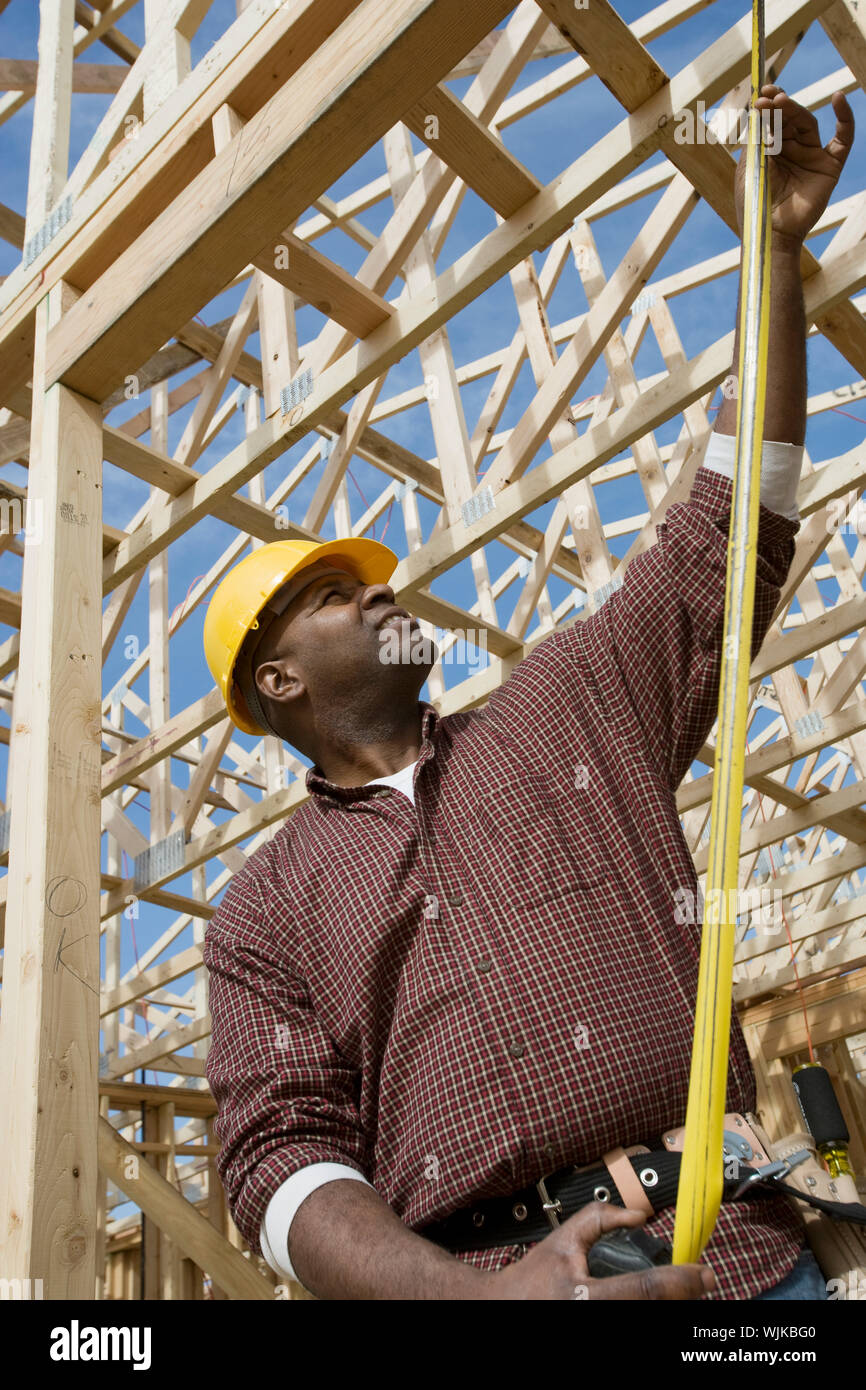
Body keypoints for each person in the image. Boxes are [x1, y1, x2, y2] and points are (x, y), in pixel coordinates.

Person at [202, 87, 854, 1300]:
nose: (381, 592)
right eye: (337, 592)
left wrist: (772, 249)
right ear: (276, 678)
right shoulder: (262, 912)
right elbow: (279, 1165)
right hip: (489, 1280)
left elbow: (731, 528)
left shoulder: (564, 706)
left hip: (734, 1271)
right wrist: (476, 1300)